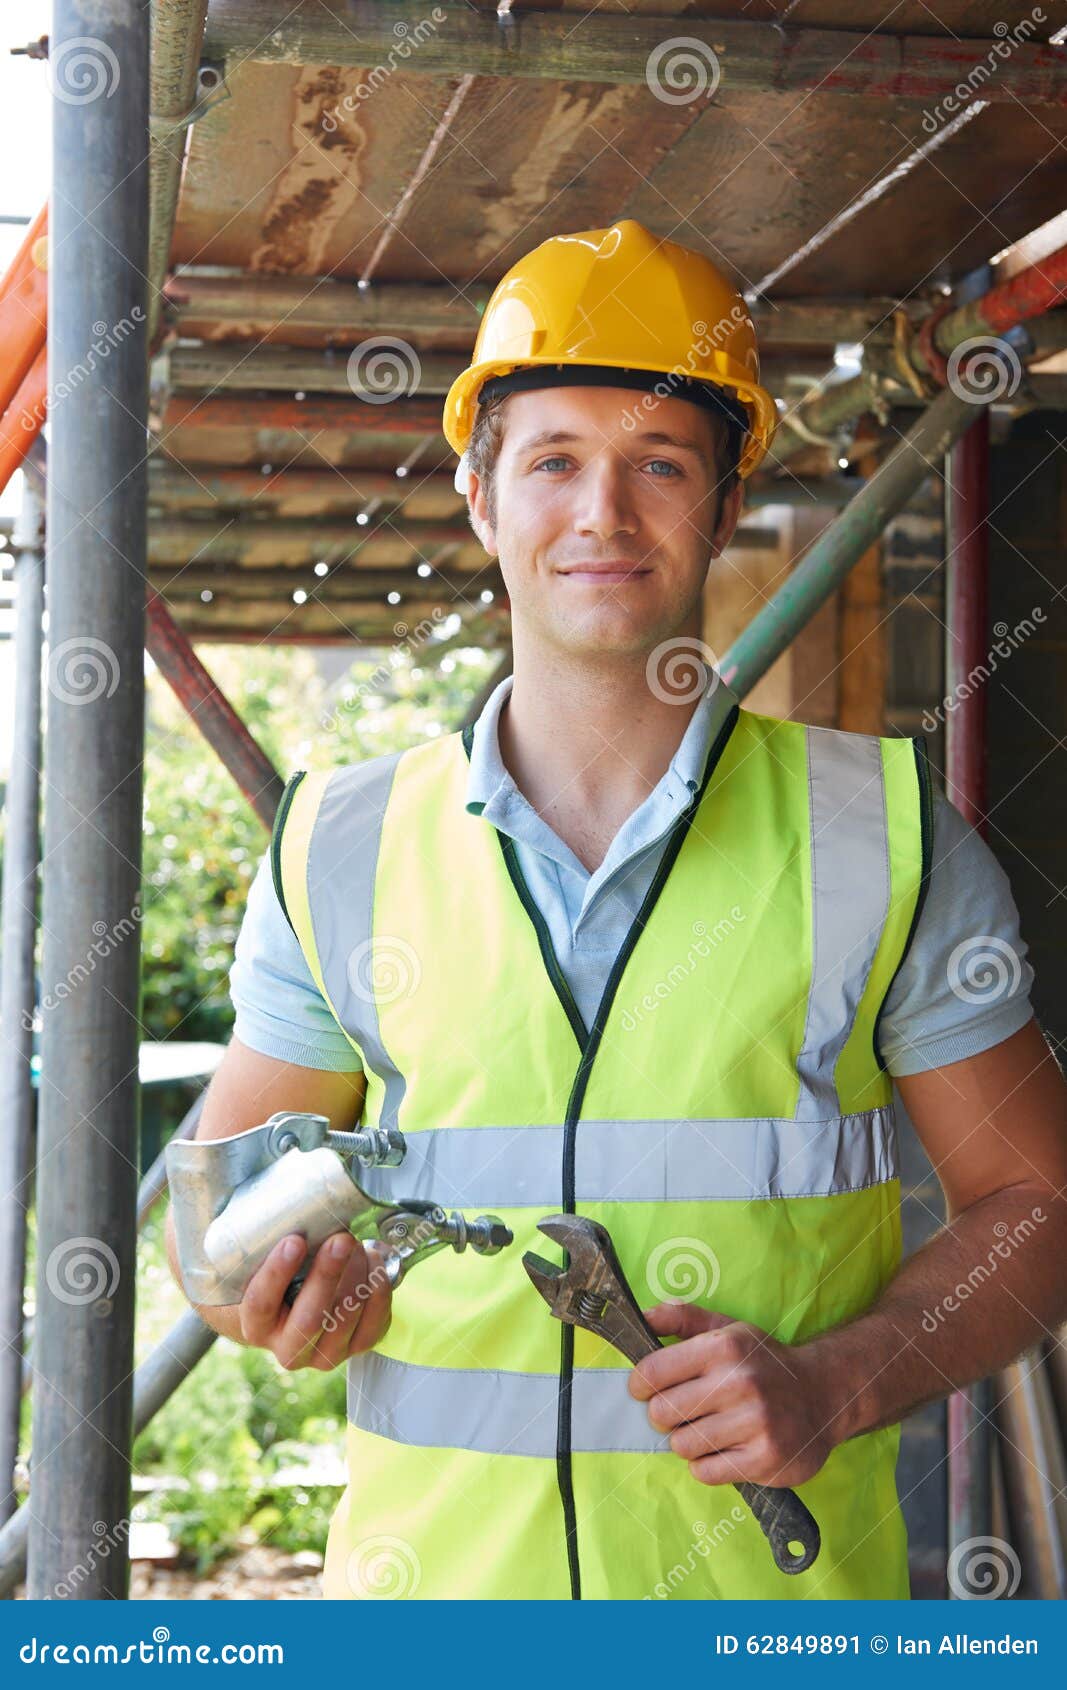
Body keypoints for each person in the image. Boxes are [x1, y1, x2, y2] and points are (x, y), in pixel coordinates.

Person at [166, 219, 1067, 1601]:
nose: (602, 513)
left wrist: (839, 1377)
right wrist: (274, 1301)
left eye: (658, 464)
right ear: (481, 499)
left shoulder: (883, 840)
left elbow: (1039, 1204)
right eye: (554, 462)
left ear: (720, 505)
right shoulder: (339, 846)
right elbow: (217, 1233)